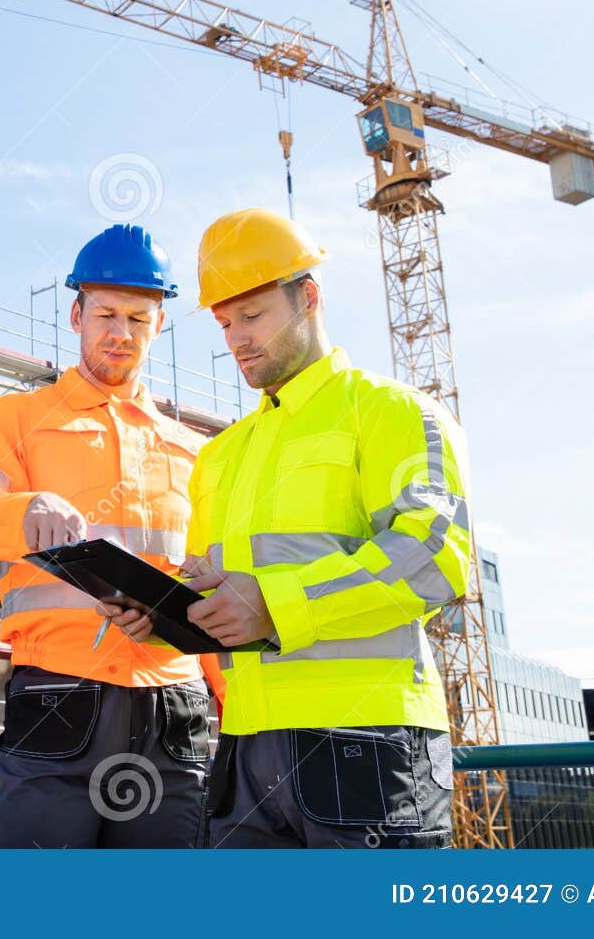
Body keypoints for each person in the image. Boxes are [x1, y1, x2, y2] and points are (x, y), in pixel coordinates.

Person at [0, 224, 222, 848]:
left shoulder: (198, 455)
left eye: (139, 319)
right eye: (107, 314)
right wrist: (22, 510)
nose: (121, 333)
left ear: (159, 326)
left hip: (176, 709)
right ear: (76, 313)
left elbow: (217, 589)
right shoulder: (14, 423)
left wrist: (241, 713)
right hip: (61, 696)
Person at [182, 208, 469, 848]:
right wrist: (164, 613)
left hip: (369, 741)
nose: (236, 339)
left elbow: (433, 557)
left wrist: (277, 606)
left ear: (308, 297)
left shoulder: (391, 411)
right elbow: (216, 588)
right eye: (225, 323)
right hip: (245, 750)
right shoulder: (219, 454)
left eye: (252, 316)